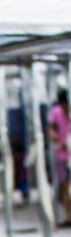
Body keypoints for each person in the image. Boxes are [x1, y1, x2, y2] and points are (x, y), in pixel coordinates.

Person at [48, 88, 71, 226]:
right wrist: (59, 141)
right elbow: (51, 130)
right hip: (63, 156)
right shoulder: (56, 112)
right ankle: (69, 216)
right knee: (64, 186)